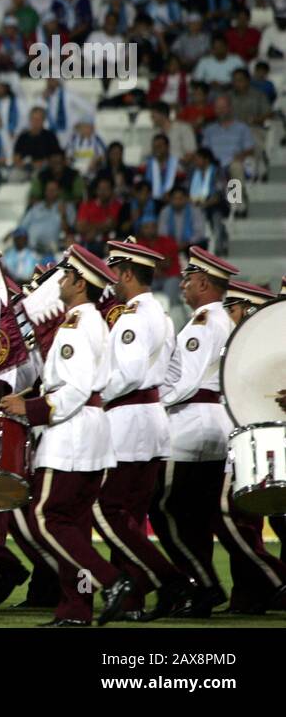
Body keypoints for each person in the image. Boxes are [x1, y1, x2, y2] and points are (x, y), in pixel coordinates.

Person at [0, 245, 132, 626]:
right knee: (73, 527)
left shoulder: (75, 325)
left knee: (45, 519)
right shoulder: (91, 322)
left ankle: (112, 580)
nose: (60, 280)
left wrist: (32, 409)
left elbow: (73, 389)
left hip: (71, 436)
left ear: (78, 282)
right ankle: (76, 610)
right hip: (90, 434)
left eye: (66, 275)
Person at [152, 248, 286, 615]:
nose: (182, 285)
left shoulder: (202, 323)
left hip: (191, 425)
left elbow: (188, 381)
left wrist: (155, 401)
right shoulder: (224, 322)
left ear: (204, 283)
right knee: (198, 513)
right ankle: (205, 587)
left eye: (188, 279)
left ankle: (205, 583)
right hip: (217, 424)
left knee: (166, 508)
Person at [97, 240, 195, 621]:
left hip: (128, 423)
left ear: (125, 274)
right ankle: (133, 600)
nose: (112, 282)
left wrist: (93, 393)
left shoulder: (133, 317)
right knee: (132, 518)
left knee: (109, 511)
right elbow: (171, 373)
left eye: (115, 273)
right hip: (151, 417)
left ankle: (169, 580)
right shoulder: (162, 314)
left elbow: (130, 373)